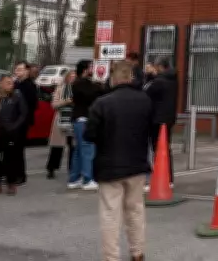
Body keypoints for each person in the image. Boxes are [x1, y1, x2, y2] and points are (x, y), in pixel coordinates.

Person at [85, 60, 153, 261]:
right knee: (136, 210)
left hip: (109, 164)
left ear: (113, 78)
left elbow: (89, 134)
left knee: (110, 213)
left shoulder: (102, 103)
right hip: (137, 163)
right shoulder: (145, 100)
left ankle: (111, 257)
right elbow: (152, 128)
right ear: (130, 76)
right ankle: (137, 252)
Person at [0, 76, 29, 196]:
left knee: (10, 158)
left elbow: (23, 113)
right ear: (0, 83)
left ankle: (11, 183)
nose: (11, 85)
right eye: (8, 83)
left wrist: (14, 126)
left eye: (11, 83)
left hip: (10, 132)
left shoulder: (17, 96)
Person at [68, 60, 102, 190]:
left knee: (79, 150)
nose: (93, 69)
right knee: (88, 149)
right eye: (91, 67)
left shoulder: (79, 83)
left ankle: (74, 178)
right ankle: (87, 179)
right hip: (83, 119)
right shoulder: (82, 83)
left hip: (79, 119)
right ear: (85, 69)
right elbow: (92, 94)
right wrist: (99, 85)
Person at [145, 57, 178, 188]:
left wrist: (149, 76)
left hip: (157, 119)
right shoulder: (173, 79)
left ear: (159, 67)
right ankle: (169, 178)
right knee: (165, 148)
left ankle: (159, 177)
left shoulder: (158, 81)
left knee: (156, 149)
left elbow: (146, 91)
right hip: (169, 118)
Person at [46, 70, 76, 179]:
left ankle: (72, 169)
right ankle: (51, 169)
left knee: (73, 146)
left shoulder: (77, 89)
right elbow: (54, 105)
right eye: (71, 76)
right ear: (66, 77)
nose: (73, 78)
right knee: (57, 146)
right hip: (61, 119)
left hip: (73, 120)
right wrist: (65, 102)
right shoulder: (60, 88)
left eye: (74, 76)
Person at [13, 61, 37, 185]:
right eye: (16, 69)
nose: (17, 71)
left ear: (27, 71)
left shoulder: (29, 85)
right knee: (13, 148)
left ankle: (20, 175)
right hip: (13, 120)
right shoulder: (15, 84)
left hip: (22, 121)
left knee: (18, 148)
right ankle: (12, 173)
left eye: (20, 69)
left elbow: (33, 104)